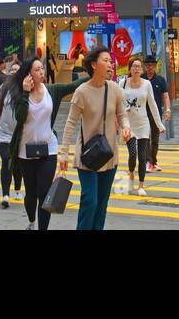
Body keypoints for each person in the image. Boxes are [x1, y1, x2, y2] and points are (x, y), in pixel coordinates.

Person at [8, 57, 87, 230]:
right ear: (29, 74)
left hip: (48, 148)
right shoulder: (21, 93)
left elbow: (73, 86)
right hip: (25, 151)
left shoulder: (52, 90)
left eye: (42, 69)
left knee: (44, 194)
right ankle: (31, 221)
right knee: (31, 194)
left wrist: (95, 74)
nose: (42, 72)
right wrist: (26, 92)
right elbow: (20, 117)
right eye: (37, 70)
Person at [59, 46, 131, 231]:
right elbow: (70, 123)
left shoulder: (114, 89)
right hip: (88, 156)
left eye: (110, 61)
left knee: (101, 205)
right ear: (93, 64)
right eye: (105, 60)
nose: (110, 64)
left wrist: (126, 127)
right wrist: (64, 153)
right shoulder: (82, 91)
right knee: (90, 201)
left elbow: (122, 114)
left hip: (109, 155)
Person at [119, 58, 165, 196]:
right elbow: (118, 104)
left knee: (143, 156)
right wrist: (118, 122)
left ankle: (141, 185)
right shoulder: (123, 83)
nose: (137, 69)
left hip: (143, 124)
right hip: (128, 124)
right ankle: (131, 173)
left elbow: (152, 104)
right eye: (134, 66)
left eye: (139, 67)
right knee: (132, 154)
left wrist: (159, 124)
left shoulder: (147, 84)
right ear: (130, 69)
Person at [0, 61, 23, 207]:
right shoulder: (4, 88)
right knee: (6, 160)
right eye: (12, 69)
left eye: (17, 69)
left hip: (20, 135)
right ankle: (5, 195)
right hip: (3, 133)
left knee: (17, 165)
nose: (14, 71)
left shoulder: (25, 88)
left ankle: (17, 189)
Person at [143, 59, 172, 171]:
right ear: (145, 66)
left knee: (155, 138)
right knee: (145, 138)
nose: (150, 68)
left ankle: (153, 162)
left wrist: (168, 110)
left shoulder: (160, 80)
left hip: (156, 113)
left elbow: (165, 96)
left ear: (156, 67)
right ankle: (147, 162)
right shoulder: (141, 79)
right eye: (148, 65)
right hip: (143, 113)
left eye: (152, 65)